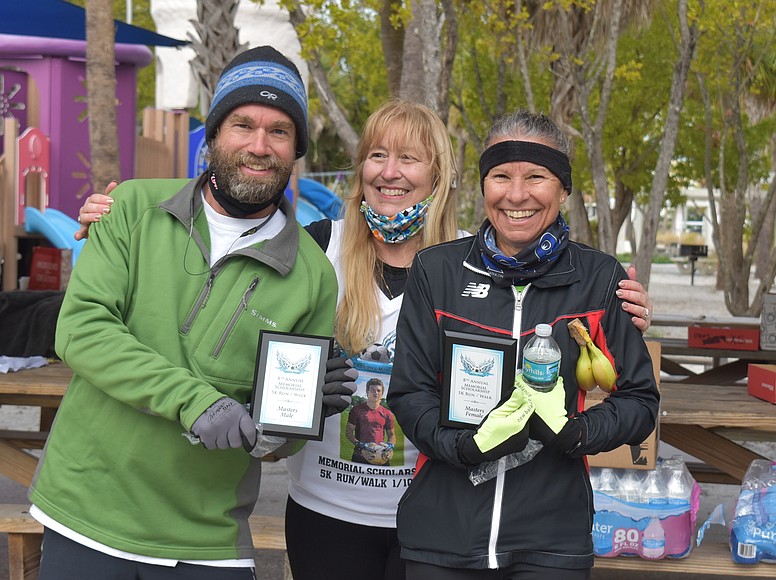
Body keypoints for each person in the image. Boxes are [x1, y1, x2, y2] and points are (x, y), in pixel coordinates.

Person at [76, 100, 654, 580]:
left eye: (410, 158)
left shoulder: (471, 262)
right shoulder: (309, 248)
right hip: (328, 512)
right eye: (377, 156)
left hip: (436, 514)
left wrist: (619, 311)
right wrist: (120, 215)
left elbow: (568, 327)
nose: (391, 172)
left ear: (441, 175)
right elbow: (218, 249)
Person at [29, 46, 341, 580]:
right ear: (215, 133)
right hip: (85, 511)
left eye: (280, 131)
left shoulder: (313, 274)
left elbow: (276, 443)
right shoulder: (130, 207)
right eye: (242, 124)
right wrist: (195, 402)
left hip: (207, 539)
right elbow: (81, 331)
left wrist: (287, 426)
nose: (259, 146)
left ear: (297, 150)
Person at [387, 110, 661, 579]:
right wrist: (466, 447)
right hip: (442, 535)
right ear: (484, 185)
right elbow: (409, 394)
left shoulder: (600, 279)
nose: (516, 195)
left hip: (551, 539)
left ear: (564, 189)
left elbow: (640, 401)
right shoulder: (437, 271)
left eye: (536, 176)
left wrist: (580, 433)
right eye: (500, 176)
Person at [347, 378, 396, 464]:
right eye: (373, 390)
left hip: (381, 456)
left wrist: (391, 445)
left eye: (378, 390)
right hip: (360, 455)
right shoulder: (357, 410)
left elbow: (391, 434)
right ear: (367, 391)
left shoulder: (387, 413)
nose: (376, 393)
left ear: (382, 393)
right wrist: (359, 445)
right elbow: (349, 431)